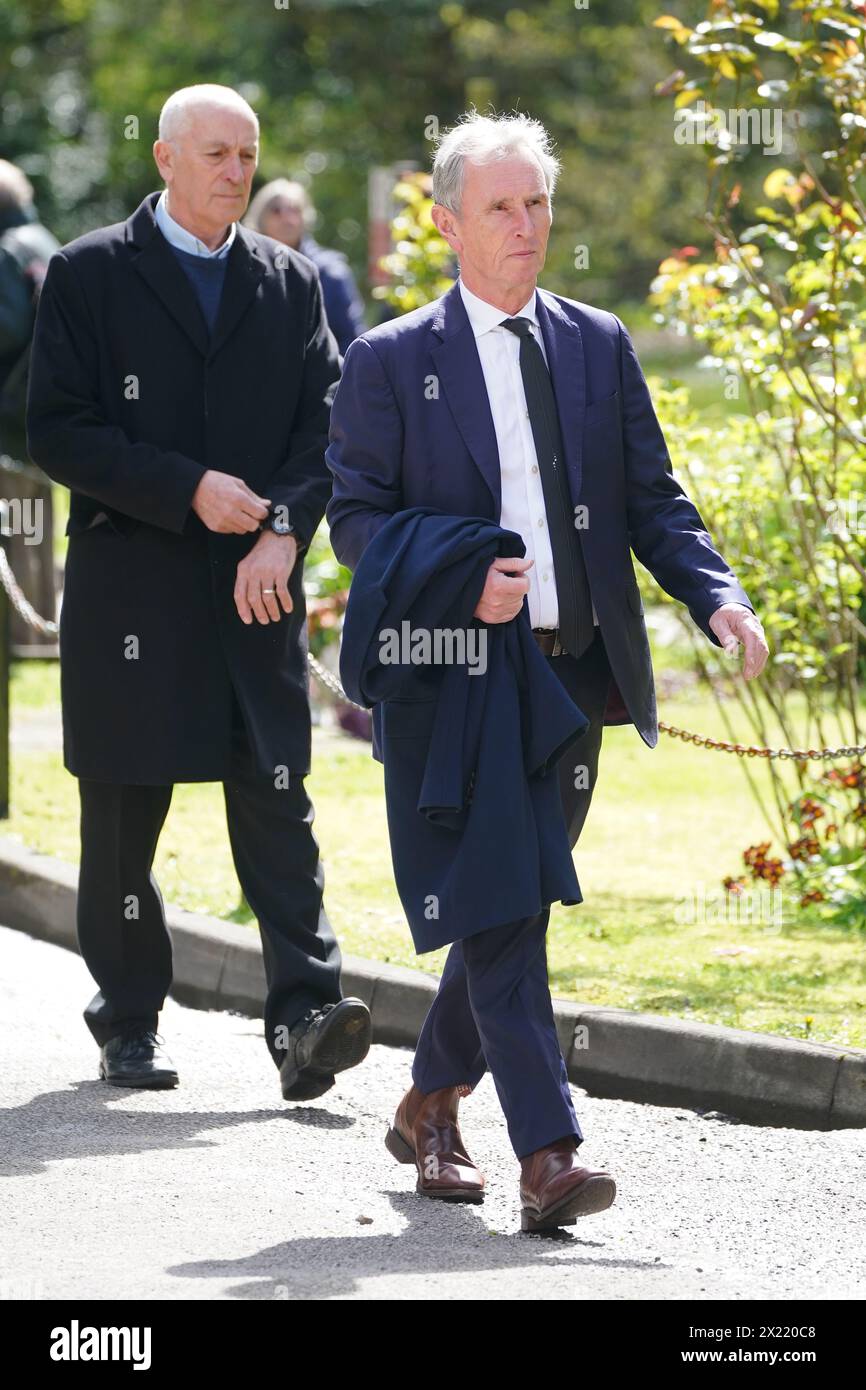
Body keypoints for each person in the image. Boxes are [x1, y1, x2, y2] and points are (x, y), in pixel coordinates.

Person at [325, 110, 769, 1233]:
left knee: (505, 908)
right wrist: (454, 581)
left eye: (535, 206)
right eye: (499, 208)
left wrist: (711, 591)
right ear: (446, 222)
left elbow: (650, 496)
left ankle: (430, 1100)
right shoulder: (388, 361)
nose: (524, 227)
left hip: (573, 679)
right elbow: (355, 521)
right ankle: (547, 1153)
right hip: (458, 676)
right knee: (507, 912)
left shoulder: (595, 342)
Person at [26, 84, 371, 1100]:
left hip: (256, 595)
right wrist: (187, 488)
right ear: (166, 160)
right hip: (132, 596)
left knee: (276, 798)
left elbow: (328, 429)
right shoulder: (89, 274)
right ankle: (128, 1018)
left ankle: (306, 1014)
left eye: (247, 154)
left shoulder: (291, 281)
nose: (236, 172)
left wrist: (280, 529)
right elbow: (59, 430)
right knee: (125, 816)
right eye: (216, 153)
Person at [0, 160, 59, 649]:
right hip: (44, 406)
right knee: (33, 519)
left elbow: (8, 329)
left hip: (7, 413)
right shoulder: (46, 242)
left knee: (15, 520)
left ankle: (23, 637)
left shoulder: (7, 252)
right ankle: (38, 631)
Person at [246, 178, 365, 354]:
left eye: (295, 210)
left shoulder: (330, 272)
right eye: (276, 210)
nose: (287, 219)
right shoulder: (244, 268)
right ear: (260, 217)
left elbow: (352, 339)